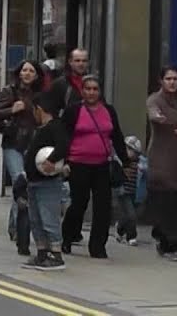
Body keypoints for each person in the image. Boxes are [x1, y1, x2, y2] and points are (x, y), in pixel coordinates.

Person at [60, 73, 127, 258]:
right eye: (87, 89)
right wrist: (63, 162)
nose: (91, 93)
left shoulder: (109, 111)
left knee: (103, 207)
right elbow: (63, 137)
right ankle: (67, 237)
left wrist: (125, 159)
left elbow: (117, 137)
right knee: (78, 204)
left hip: (102, 165)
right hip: (78, 164)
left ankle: (98, 246)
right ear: (82, 91)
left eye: (95, 89)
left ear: (100, 91)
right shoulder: (74, 111)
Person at [0, 59, 44, 255]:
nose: (27, 74)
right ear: (19, 73)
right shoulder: (9, 92)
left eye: (32, 71)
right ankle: (19, 231)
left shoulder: (41, 95)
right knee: (20, 179)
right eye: (24, 70)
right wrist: (11, 110)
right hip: (14, 144)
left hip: (34, 146)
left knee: (23, 186)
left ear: (37, 75)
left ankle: (15, 225)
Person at [145, 65, 177, 260]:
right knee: (166, 200)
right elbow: (154, 115)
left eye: (175, 79)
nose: (172, 82)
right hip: (161, 159)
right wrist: (163, 120)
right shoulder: (154, 100)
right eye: (168, 79)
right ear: (161, 81)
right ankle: (173, 243)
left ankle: (162, 234)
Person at [21, 90, 69, 271]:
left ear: (39, 109)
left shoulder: (55, 126)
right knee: (36, 219)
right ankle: (42, 252)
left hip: (47, 183)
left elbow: (64, 145)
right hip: (34, 182)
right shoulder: (40, 129)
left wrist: (51, 160)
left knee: (49, 217)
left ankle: (55, 255)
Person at [48, 48, 91, 113]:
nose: (81, 64)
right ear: (70, 62)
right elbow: (51, 110)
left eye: (84, 61)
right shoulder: (59, 84)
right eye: (77, 61)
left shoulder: (93, 83)